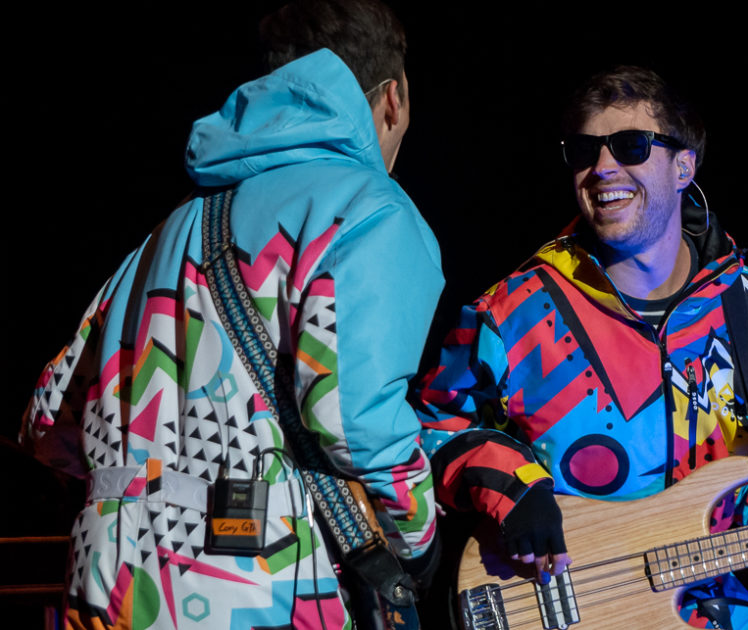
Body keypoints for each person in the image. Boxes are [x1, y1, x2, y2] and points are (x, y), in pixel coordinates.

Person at [416, 66, 748, 629]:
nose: (602, 168)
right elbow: (430, 425)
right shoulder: (517, 311)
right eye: (585, 151)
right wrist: (515, 488)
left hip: (701, 612)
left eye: (630, 146)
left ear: (684, 165)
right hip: (551, 605)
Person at [21, 1, 442, 628]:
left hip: (103, 583)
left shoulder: (172, 229)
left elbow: (48, 421)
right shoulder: (371, 210)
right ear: (393, 100)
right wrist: (419, 539)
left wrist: (140, 491)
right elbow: (352, 419)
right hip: (256, 586)